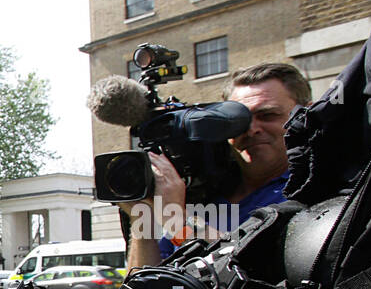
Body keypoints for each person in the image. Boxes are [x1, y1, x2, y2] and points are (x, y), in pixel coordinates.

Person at [125, 62, 313, 268]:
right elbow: (142, 283)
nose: (251, 129)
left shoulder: (311, 192)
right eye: (239, 120)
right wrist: (142, 215)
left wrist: (176, 218)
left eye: (268, 116)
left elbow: (250, 272)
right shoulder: (204, 191)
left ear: (306, 116)